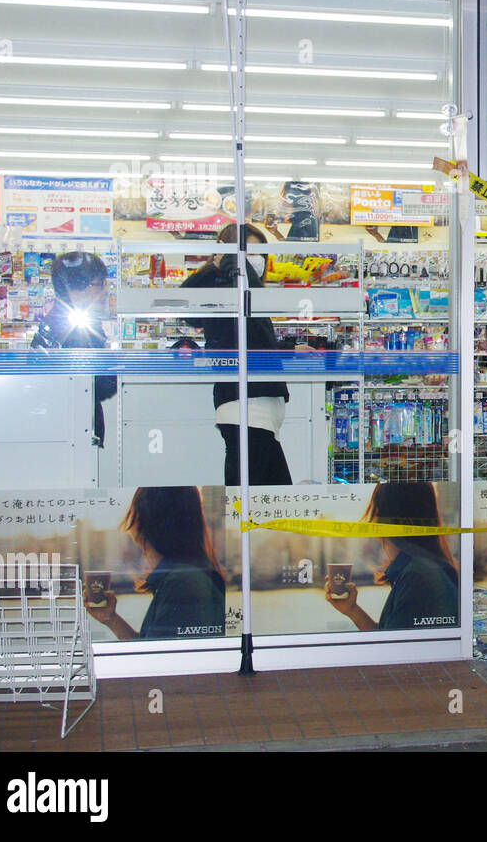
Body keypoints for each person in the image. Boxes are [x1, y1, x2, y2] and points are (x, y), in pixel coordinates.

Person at [180, 223, 314, 485]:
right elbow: (190, 310)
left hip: (257, 406)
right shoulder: (224, 287)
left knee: (268, 498)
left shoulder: (240, 289)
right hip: (245, 404)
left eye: (260, 254)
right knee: (253, 498)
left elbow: (255, 339)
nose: (257, 261)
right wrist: (231, 264)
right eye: (249, 253)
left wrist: (289, 349)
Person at [86, 486, 226, 640]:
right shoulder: (187, 577)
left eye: (134, 511)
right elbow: (153, 649)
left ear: (145, 519)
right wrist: (111, 619)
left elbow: (154, 659)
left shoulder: (182, 583)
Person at [326, 482, 460, 631]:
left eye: (376, 511)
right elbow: (390, 638)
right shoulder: (426, 570)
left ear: (384, 519)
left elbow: (389, 649)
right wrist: (352, 610)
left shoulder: (417, 577)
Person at [31, 251, 116, 447]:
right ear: (78, 288)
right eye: (100, 283)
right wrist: (114, 367)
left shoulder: (55, 321)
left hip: (60, 427)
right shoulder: (78, 327)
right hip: (74, 429)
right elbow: (96, 385)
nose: (104, 291)